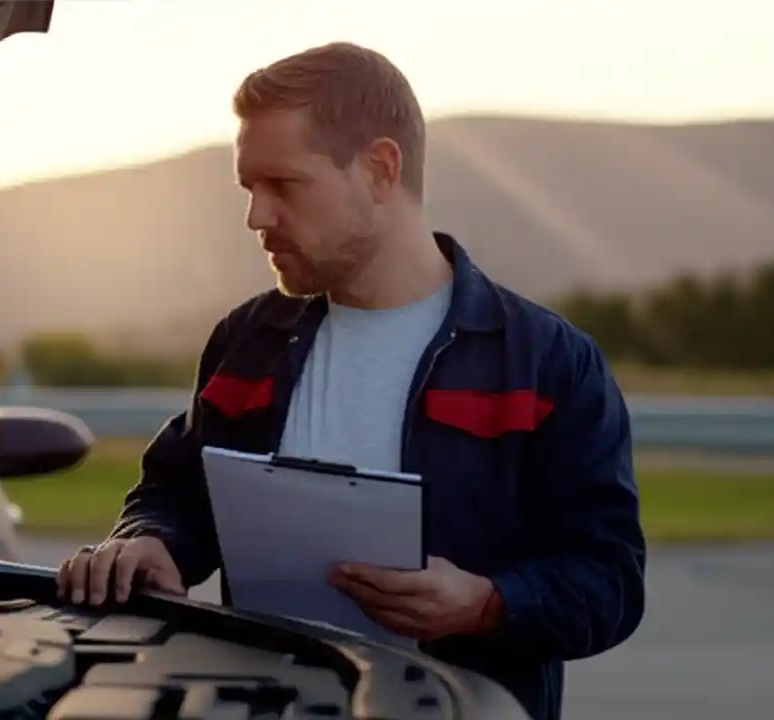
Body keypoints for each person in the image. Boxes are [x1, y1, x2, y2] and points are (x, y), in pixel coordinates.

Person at [56, 41, 646, 720]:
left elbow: (610, 583)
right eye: (250, 188)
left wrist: (487, 604)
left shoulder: (547, 364)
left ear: (379, 169)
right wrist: (149, 540)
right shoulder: (246, 342)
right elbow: (176, 491)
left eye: (284, 185)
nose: (257, 217)